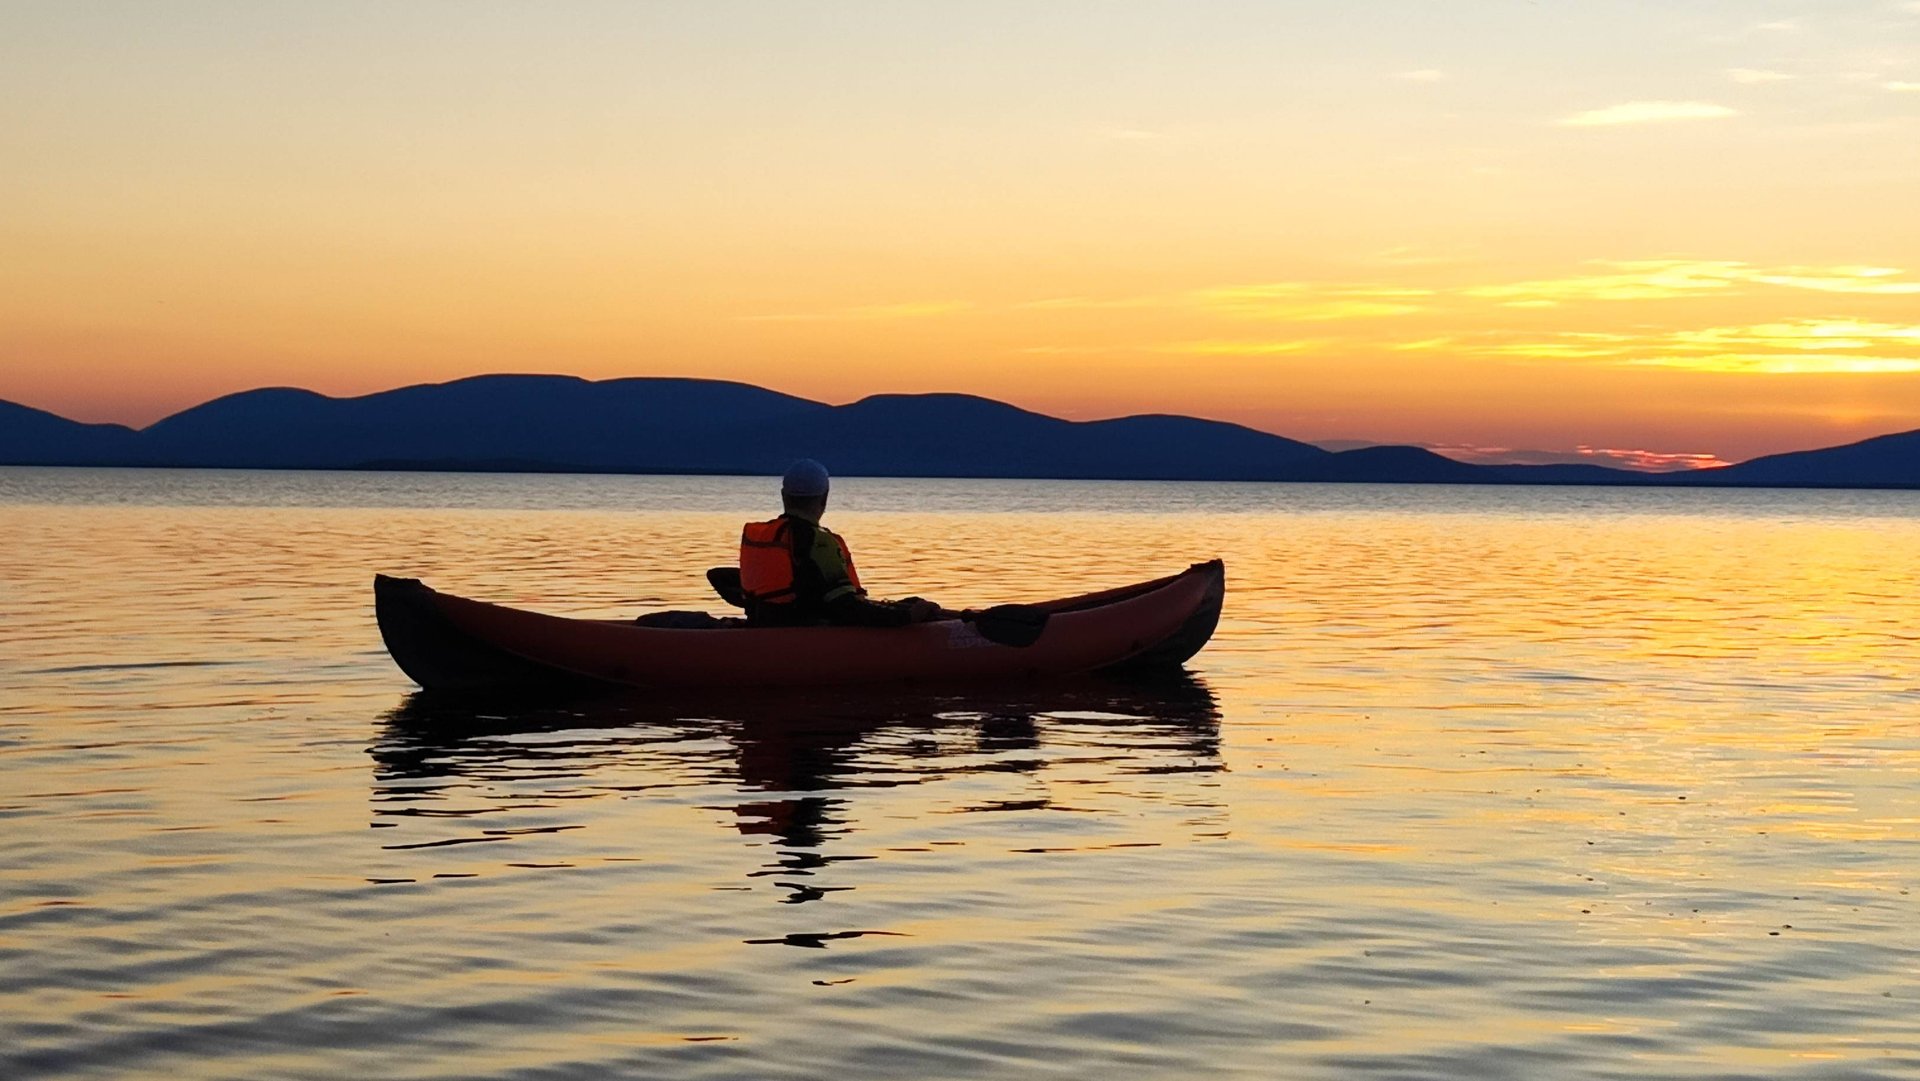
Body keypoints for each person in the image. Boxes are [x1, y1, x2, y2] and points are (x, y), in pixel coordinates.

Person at [739, 459, 946, 627]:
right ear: (824, 498)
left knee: (909, 603)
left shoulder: (763, 535)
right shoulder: (820, 543)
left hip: (765, 625)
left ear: (784, 495)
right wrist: (906, 618)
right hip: (807, 635)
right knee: (914, 607)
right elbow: (847, 609)